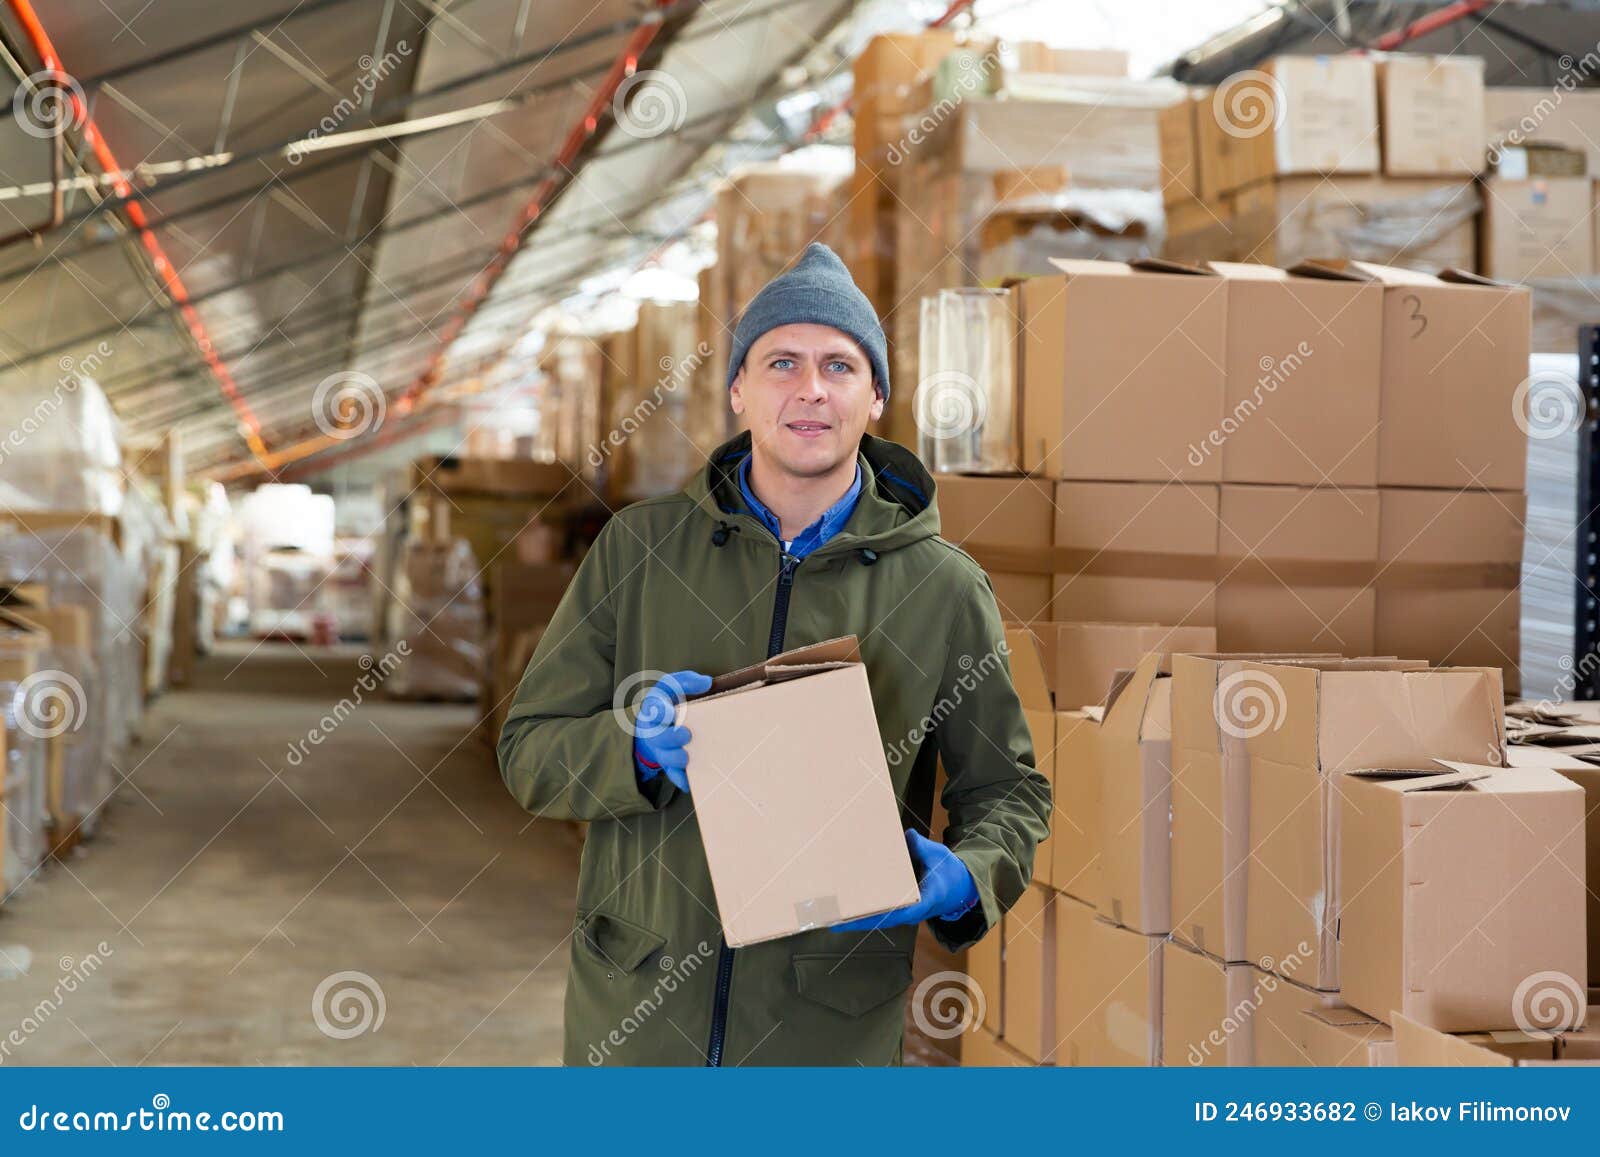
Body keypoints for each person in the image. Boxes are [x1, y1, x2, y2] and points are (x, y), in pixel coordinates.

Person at [497, 242, 1051, 1066]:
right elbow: (528, 748)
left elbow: (1009, 791)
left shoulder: (943, 588)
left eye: (838, 365)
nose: (810, 389)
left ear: (876, 396)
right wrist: (632, 751)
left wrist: (967, 875)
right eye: (781, 361)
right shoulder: (638, 552)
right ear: (738, 390)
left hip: (821, 1032)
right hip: (639, 1016)